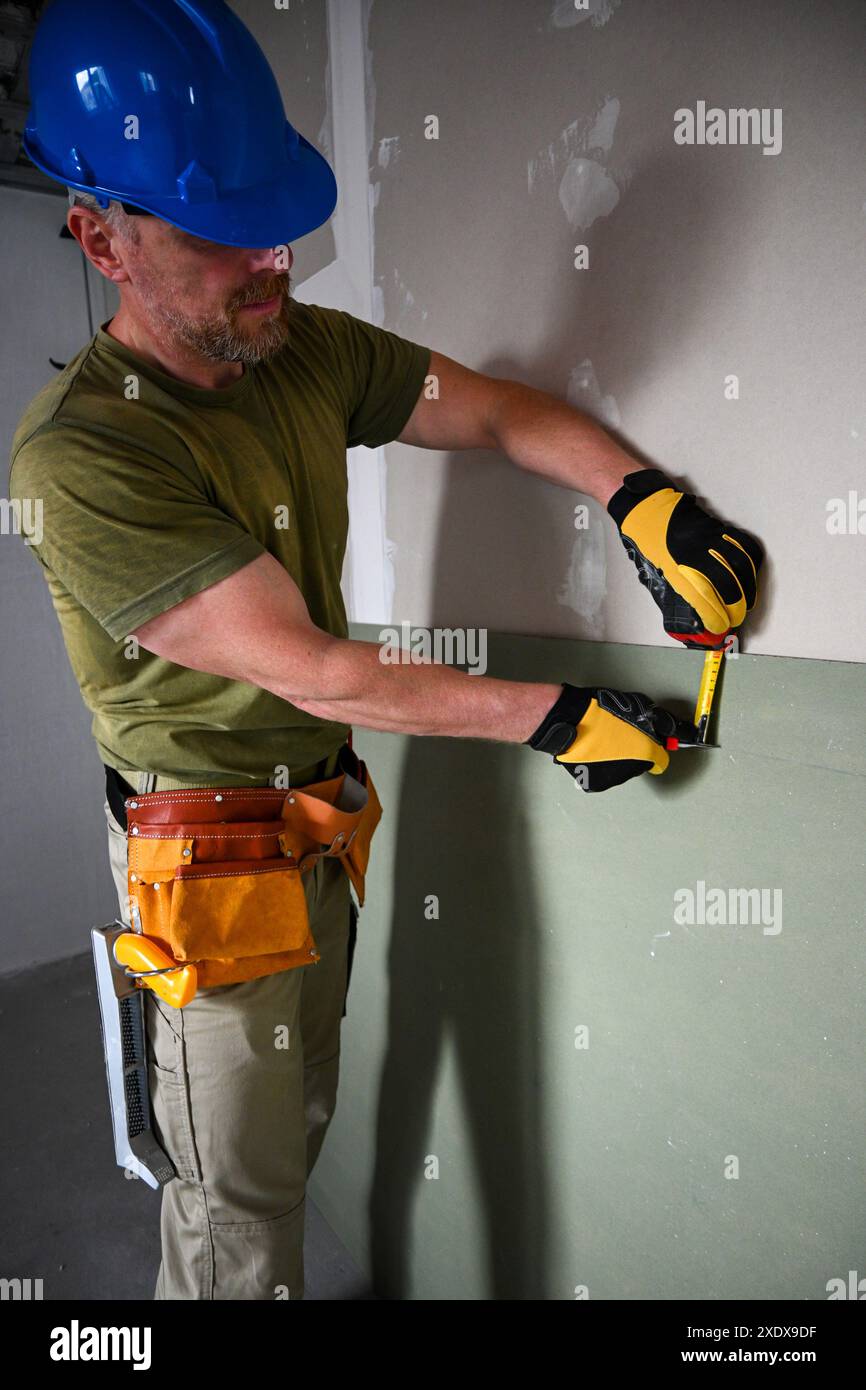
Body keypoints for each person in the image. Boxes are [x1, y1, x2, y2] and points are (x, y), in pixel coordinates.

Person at [8, 0, 763, 1300]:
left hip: (321, 827)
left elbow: (491, 406)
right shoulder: (84, 456)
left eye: (277, 226)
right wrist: (549, 714)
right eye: (219, 235)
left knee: (288, 1144)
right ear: (99, 238)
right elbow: (309, 665)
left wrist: (645, 500)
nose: (271, 266)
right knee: (236, 1214)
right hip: (207, 871)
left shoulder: (292, 348)